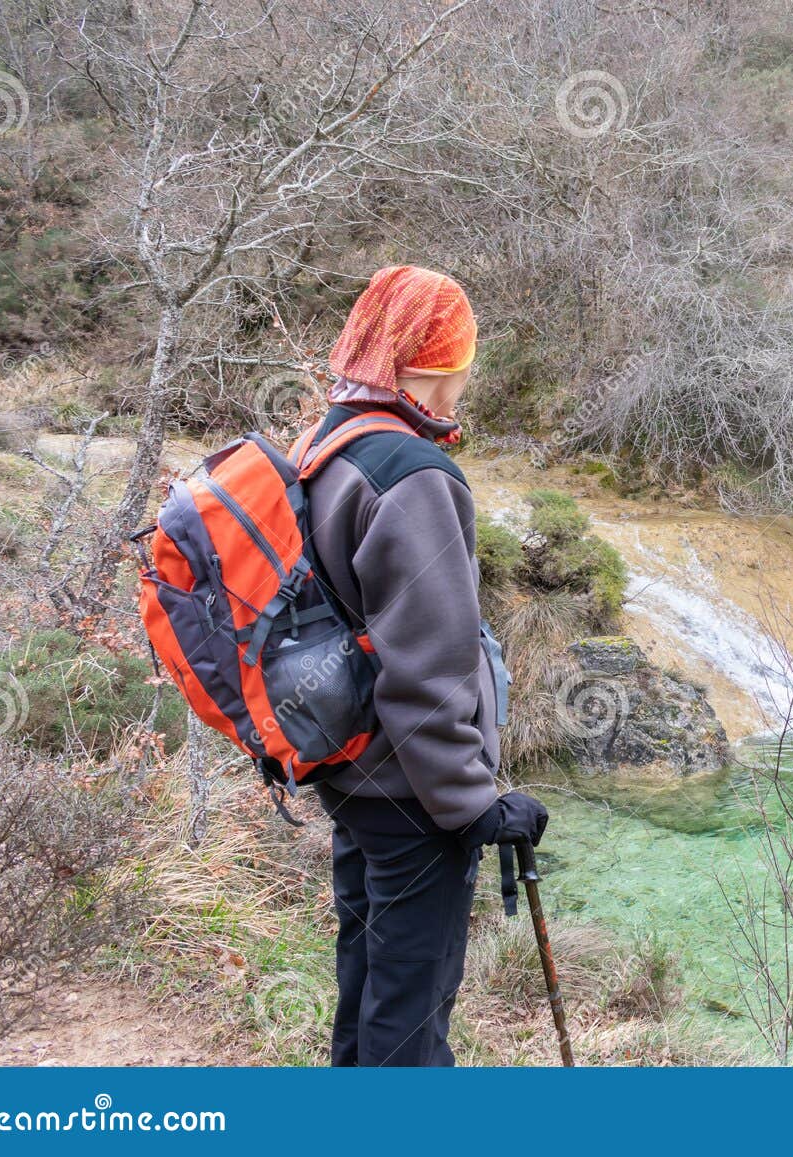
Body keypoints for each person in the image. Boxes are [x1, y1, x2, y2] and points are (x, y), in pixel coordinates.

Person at [301, 265, 547, 1066]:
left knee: (370, 979)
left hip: (351, 771)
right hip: (411, 794)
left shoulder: (329, 443)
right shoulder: (413, 478)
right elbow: (427, 664)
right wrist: (472, 803)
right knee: (411, 1014)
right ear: (437, 365)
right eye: (462, 364)